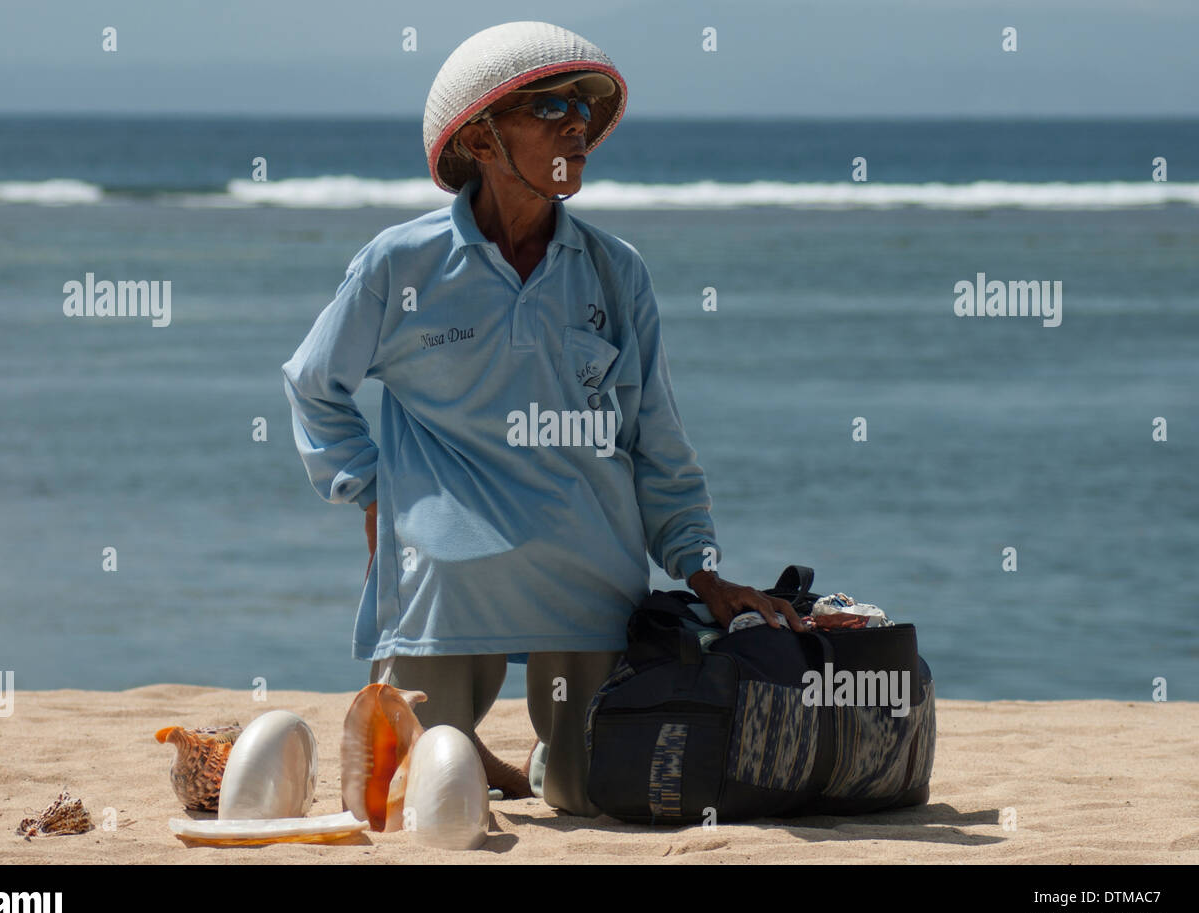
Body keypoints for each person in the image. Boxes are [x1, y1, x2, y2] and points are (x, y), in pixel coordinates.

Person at [282, 21, 808, 817]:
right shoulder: (400, 264)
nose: (577, 126)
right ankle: (476, 751)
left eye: (585, 114)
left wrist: (700, 567)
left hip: (590, 586)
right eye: (551, 106)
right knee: (425, 799)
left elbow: (654, 436)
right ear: (483, 139)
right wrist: (371, 493)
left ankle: (530, 758)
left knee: (588, 796)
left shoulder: (614, 270)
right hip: (443, 591)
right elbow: (314, 385)